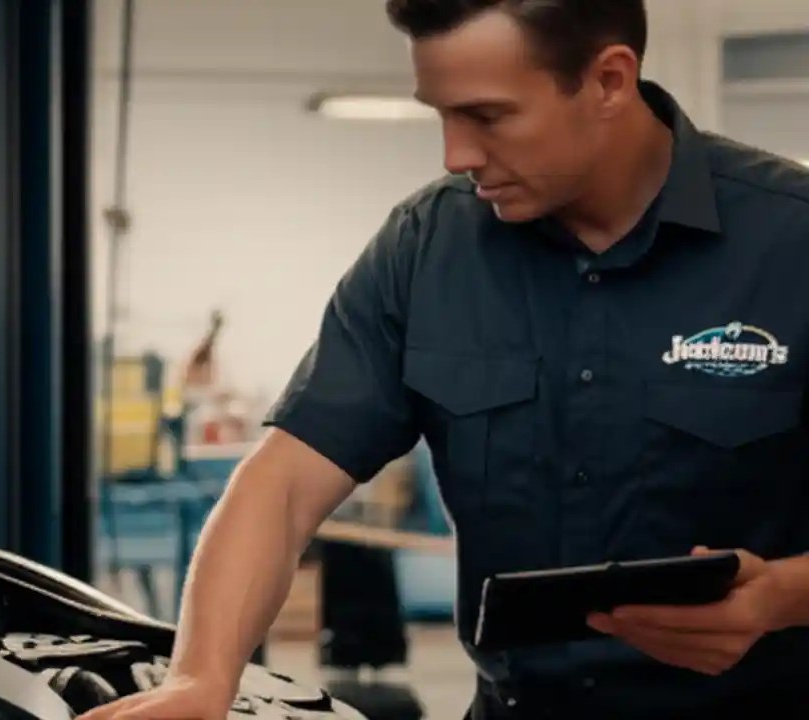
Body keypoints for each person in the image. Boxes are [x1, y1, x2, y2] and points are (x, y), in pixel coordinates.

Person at [78, 1, 809, 718]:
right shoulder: (428, 248)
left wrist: (780, 597)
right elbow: (285, 483)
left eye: (487, 117)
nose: (456, 156)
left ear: (610, 81)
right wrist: (200, 678)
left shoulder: (791, 241)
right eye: (441, 114)